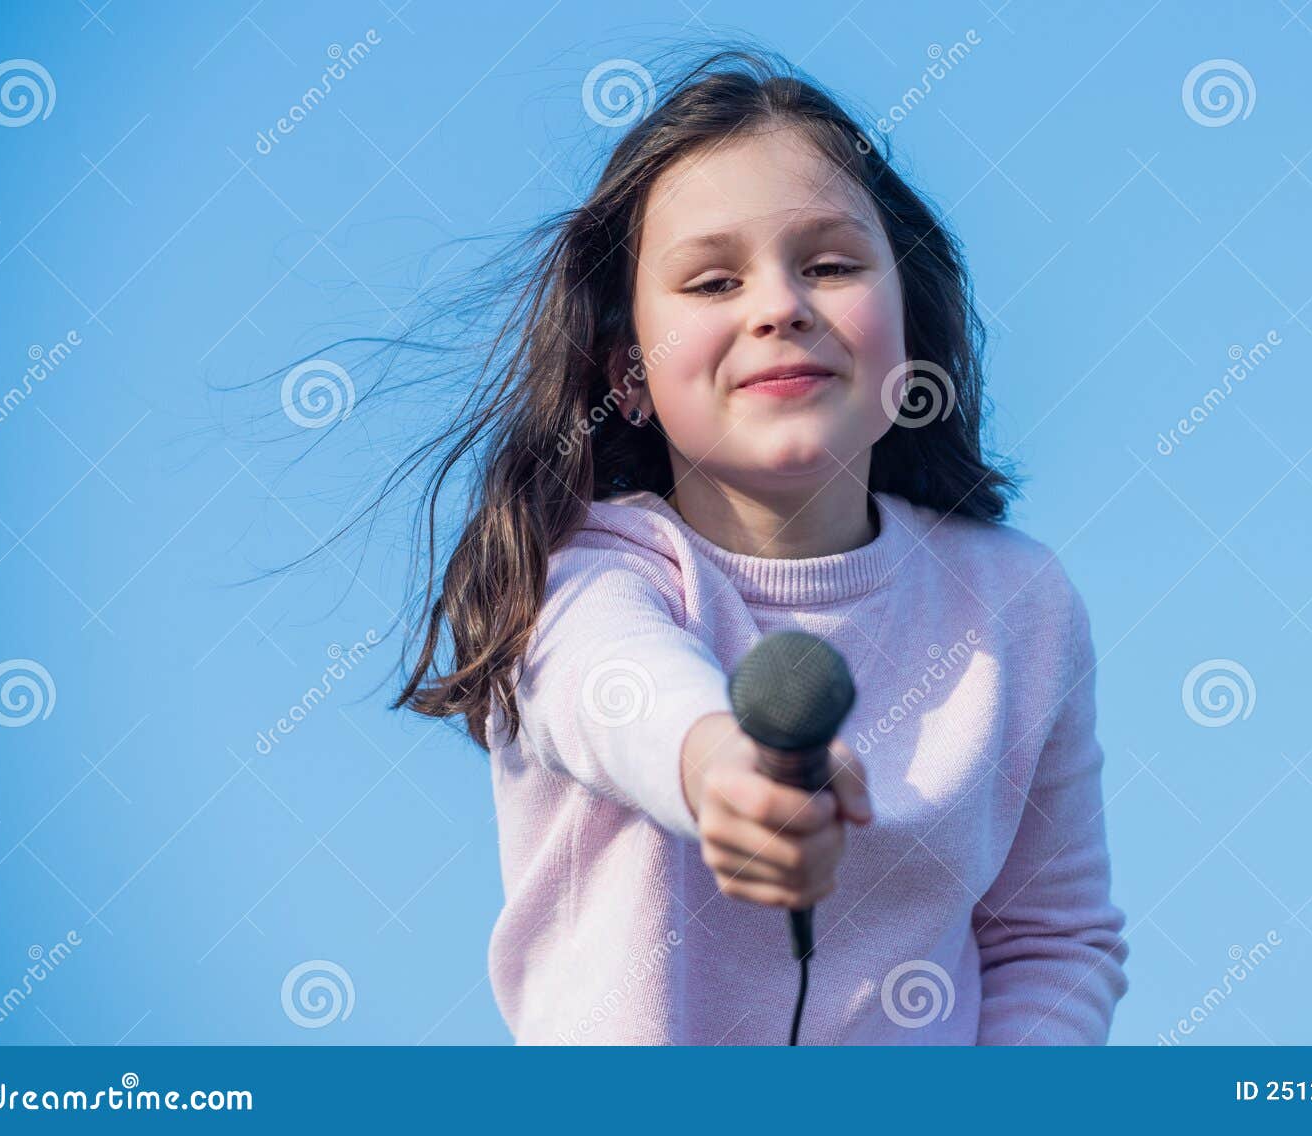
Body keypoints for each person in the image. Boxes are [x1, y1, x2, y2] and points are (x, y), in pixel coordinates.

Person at [394, 47, 1128, 1045]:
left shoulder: (1018, 602)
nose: (778, 305)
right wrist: (717, 768)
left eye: (829, 264)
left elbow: (1051, 939)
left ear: (906, 329)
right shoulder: (582, 578)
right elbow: (622, 687)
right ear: (629, 377)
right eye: (710, 280)